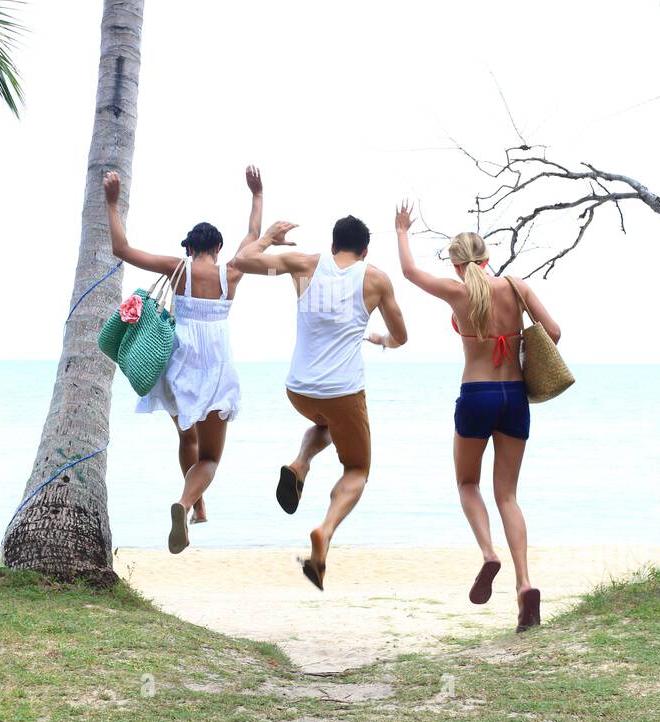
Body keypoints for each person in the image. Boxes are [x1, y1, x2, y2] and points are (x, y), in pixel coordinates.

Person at [392, 204, 561, 632]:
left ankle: (489, 554)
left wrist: (401, 231)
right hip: (515, 397)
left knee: (468, 483)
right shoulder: (516, 286)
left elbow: (410, 273)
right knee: (508, 495)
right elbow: (555, 333)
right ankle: (524, 587)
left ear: (456, 263)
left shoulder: (457, 292)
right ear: (487, 258)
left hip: (477, 394)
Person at [235, 214, 407, 589]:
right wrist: (383, 341)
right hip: (343, 394)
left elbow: (242, 262)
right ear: (364, 251)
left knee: (325, 424)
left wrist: (267, 237)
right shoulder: (375, 279)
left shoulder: (304, 264)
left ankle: (300, 464)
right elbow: (401, 335)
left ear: (332, 246)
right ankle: (325, 533)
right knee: (357, 469)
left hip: (299, 390)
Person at [103, 166, 264, 553]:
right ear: (218, 249)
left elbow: (122, 250)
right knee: (209, 458)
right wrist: (257, 195)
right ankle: (187, 502)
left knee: (185, 437)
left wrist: (112, 203)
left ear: (189, 249)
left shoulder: (179, 269)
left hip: (180, 365)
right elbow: (255, 236)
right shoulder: (233, 271)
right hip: (218, 368)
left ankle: (196, 505)